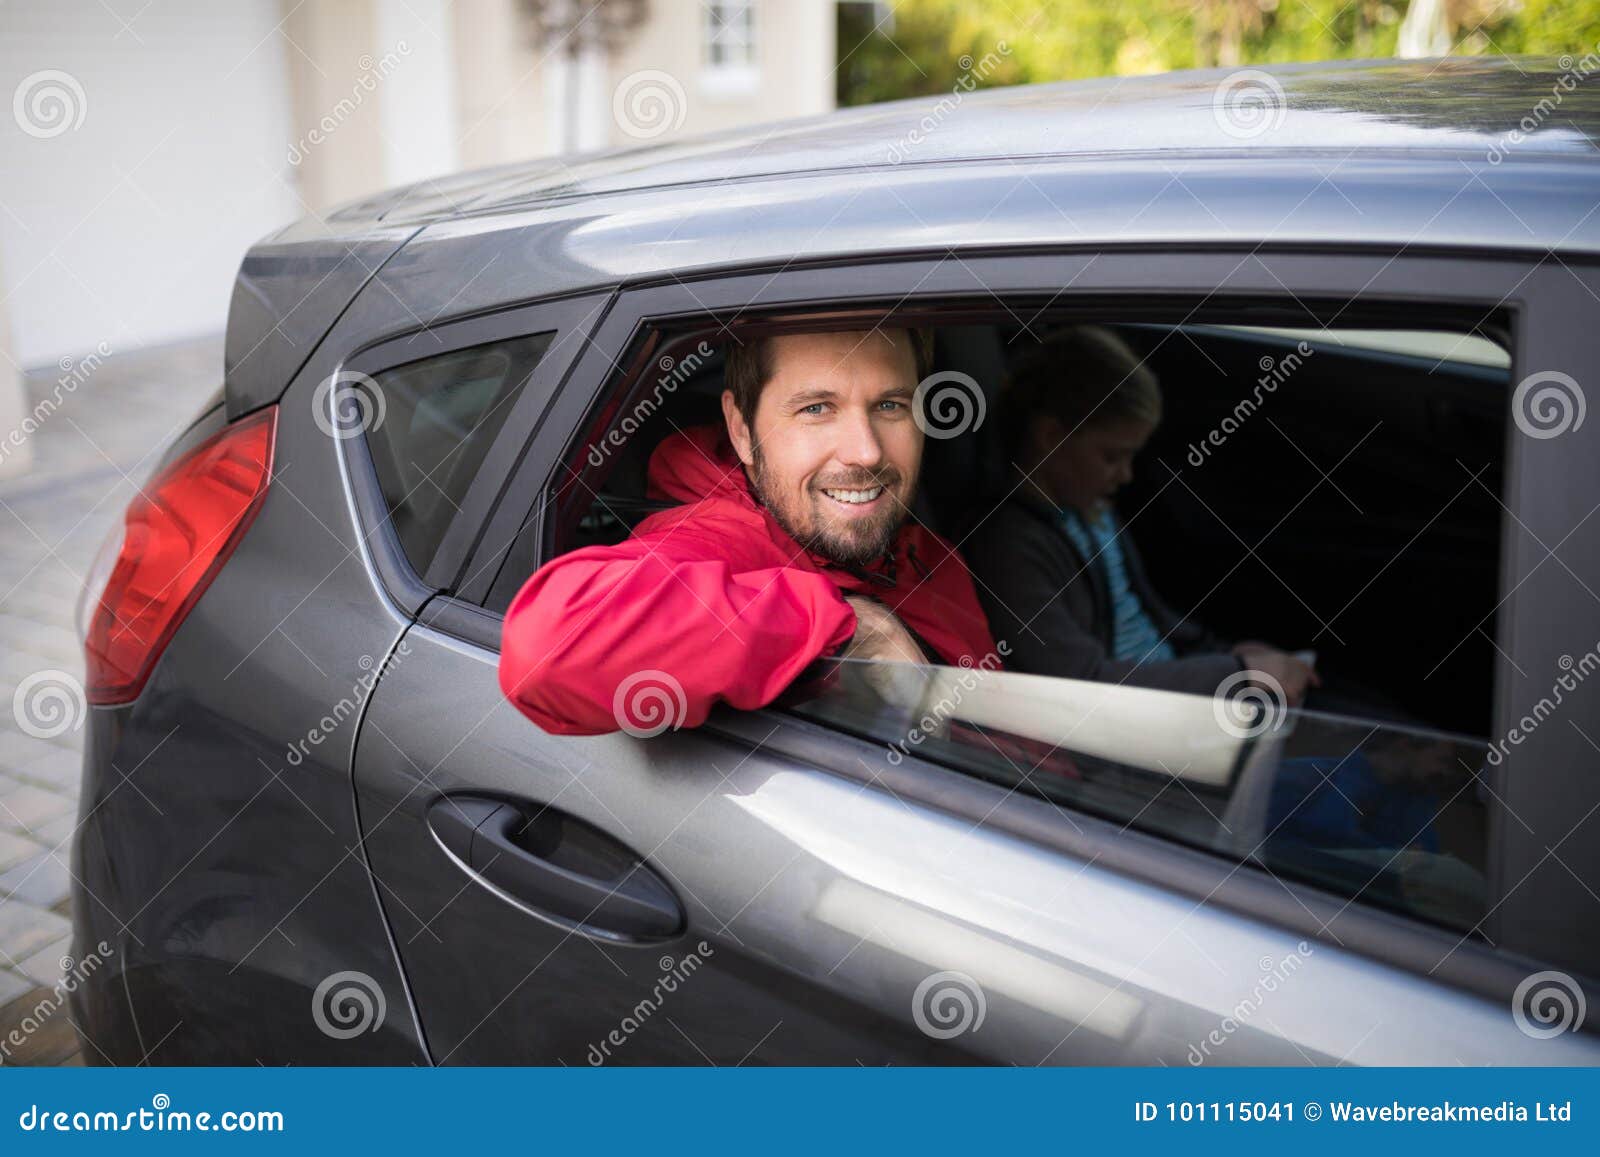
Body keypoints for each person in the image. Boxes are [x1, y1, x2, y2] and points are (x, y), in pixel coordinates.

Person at [500, 327, 999, 735]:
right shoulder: (717, 545)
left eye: (890, 405)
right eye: (816, 409)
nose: (866, 452)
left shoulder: (925, 551)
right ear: (741, 430)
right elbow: (549, 648)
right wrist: (849, 628)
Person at [968, 326, 1317, 702]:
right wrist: (1234, 675)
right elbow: (1080, 685)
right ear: (1052, 436)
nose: (1126, 474)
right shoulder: (1006, 549)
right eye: (1112, 456)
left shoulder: (1091, 510)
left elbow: (1150, 614)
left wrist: (1225, 655)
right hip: (1129, 724)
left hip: (1169, 693)